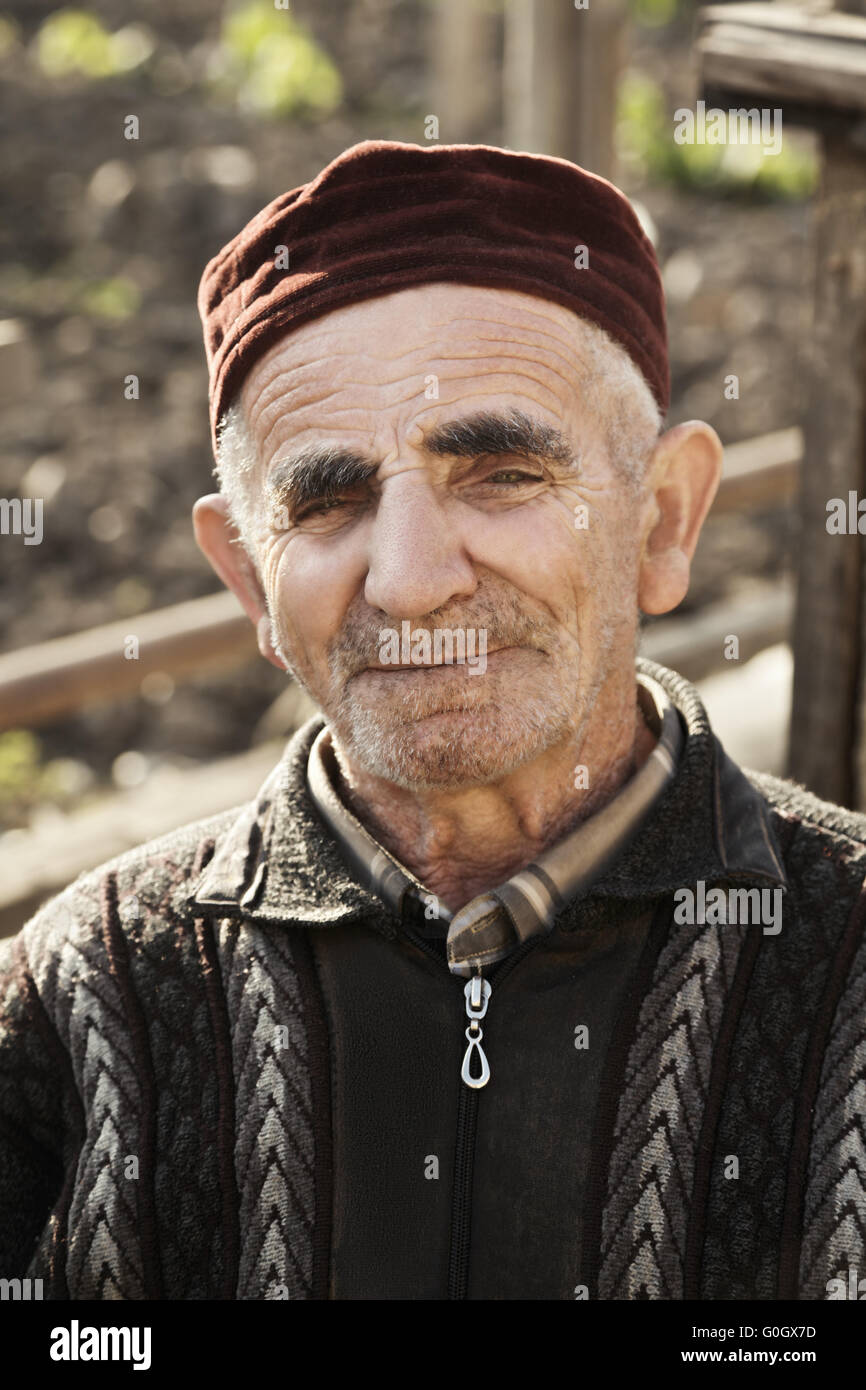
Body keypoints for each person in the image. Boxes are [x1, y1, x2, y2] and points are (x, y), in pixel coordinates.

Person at [1, 140, 864, 1301]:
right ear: (251, 582)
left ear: (662, 519)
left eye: (501, 473)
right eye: (330, 499)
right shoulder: (80, 1000)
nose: (409, 581)